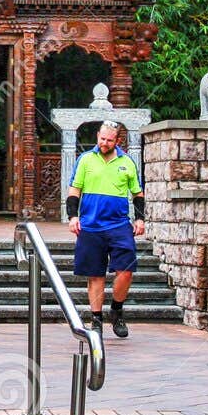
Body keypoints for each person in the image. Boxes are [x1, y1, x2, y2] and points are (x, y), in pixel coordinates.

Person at [65, 120, 144, 339]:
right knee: (95, 274)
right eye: (102, 139)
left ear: (117, 141)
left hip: (119, 224)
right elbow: (74, 190)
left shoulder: (127, 162)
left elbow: (137, 194)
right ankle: (96, 318)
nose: (105, 143)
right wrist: (73, 216)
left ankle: (116, 310)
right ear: (97, 136)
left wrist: (139, 219)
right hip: (90, 225)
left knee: (126, 269)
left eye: (109, 140)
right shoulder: (85, 160)